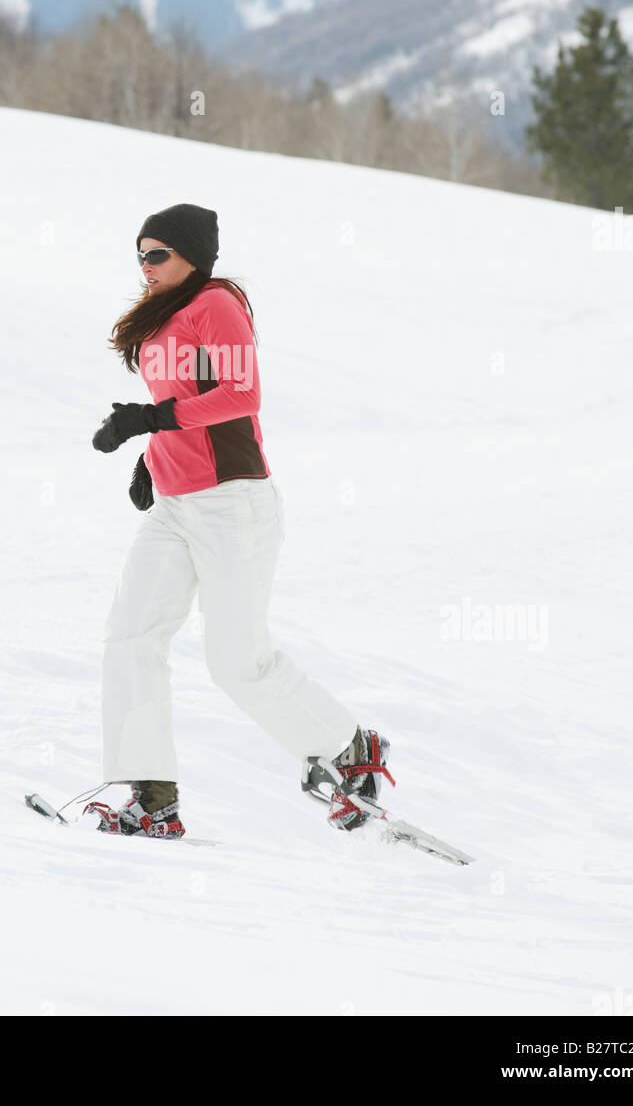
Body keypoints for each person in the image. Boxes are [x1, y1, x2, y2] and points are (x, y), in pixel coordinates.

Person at [87, 202, 393, 839]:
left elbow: (240, 395)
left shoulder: (218, 305)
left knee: (237, 662)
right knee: (131, 637)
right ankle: (153, 799)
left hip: (233, 505)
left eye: (157, 254)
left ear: (193, 255)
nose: (144, 267)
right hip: (176, 506)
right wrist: (153, 456)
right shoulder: (164, 316)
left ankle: (352, 747)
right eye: (139, 255)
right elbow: (180, 403)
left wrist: (148, 423)